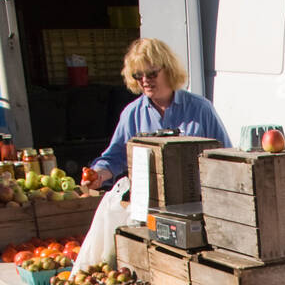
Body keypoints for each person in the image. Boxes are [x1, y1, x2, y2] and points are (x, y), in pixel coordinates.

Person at [82, 38, 232, 190]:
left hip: (195, 200)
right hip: (149, 204)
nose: (145, 80)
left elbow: (226, 157)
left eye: (152, 74)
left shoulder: (200, 108)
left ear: (169, 70)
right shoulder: (132, 113)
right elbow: (115, 157)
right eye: (138, 75)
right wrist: (97, 175)